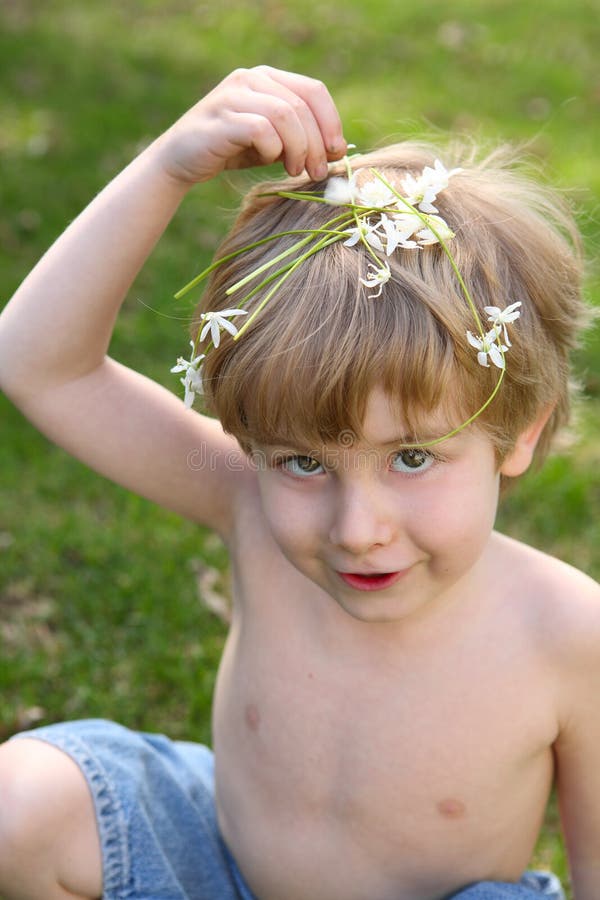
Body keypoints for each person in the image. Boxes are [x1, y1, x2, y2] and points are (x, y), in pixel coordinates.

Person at [0, 65, 597, 900]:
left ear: (518, 434)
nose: (358, 528)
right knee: (19, 806)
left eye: (414, 457)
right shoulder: (244, 499)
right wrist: (168, 167)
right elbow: (38, 365)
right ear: (255, 450)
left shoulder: (570, 633)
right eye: (305, 463)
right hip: (218, 870)